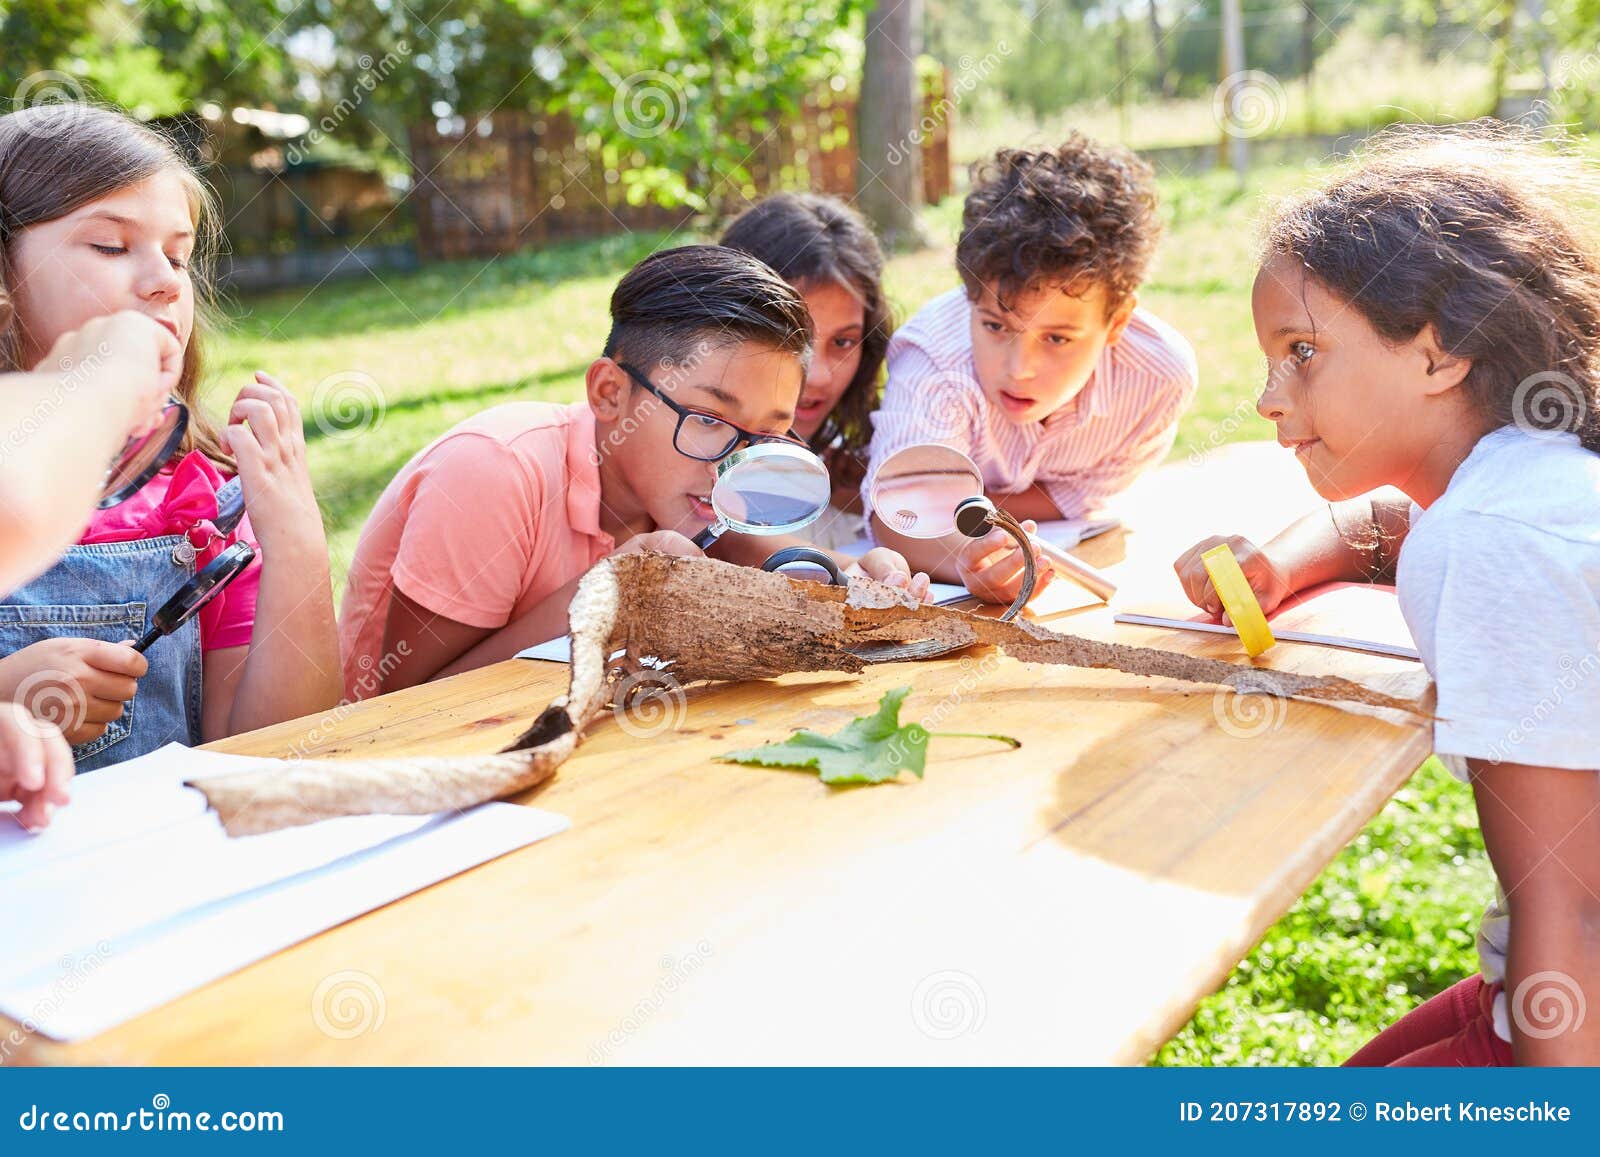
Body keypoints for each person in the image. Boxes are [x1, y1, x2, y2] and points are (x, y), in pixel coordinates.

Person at [1173, 123, 1600, 1065]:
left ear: (1439, 354)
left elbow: (1570, 909)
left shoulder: (1497, 540)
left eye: (1302, 352)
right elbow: (1398, 524)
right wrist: (1285, 564)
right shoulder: (1539, 475)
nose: (1268, 397)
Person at [339, 244, 929, 698]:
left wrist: (861, 574)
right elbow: (404, 701)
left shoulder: (695, 476)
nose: (736, 464)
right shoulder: (494, 469)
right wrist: (611, 592)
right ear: (609, 393)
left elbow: (774, 559)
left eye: (769, 434)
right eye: (706, 417)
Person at [0, 104, 342, 771]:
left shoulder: (201, 499)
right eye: (110, 246)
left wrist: (296, 534)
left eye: (179, 256)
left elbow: (274, 747)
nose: (163, 282)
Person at [867, 133, 1197, 605]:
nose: (1019, 369)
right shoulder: (934, 363)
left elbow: (1081, 498)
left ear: (1117, 322)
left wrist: (956, 509)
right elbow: (897, 516)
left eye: (1057, 338)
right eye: (996, 325)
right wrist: (970, 559)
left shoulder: (1156, 380)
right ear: (969, 299)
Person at [721, 192, 891, 550]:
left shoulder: (854, 465)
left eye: (843, 342)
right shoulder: (683, 478)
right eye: (793, 339)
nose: (819, 377)